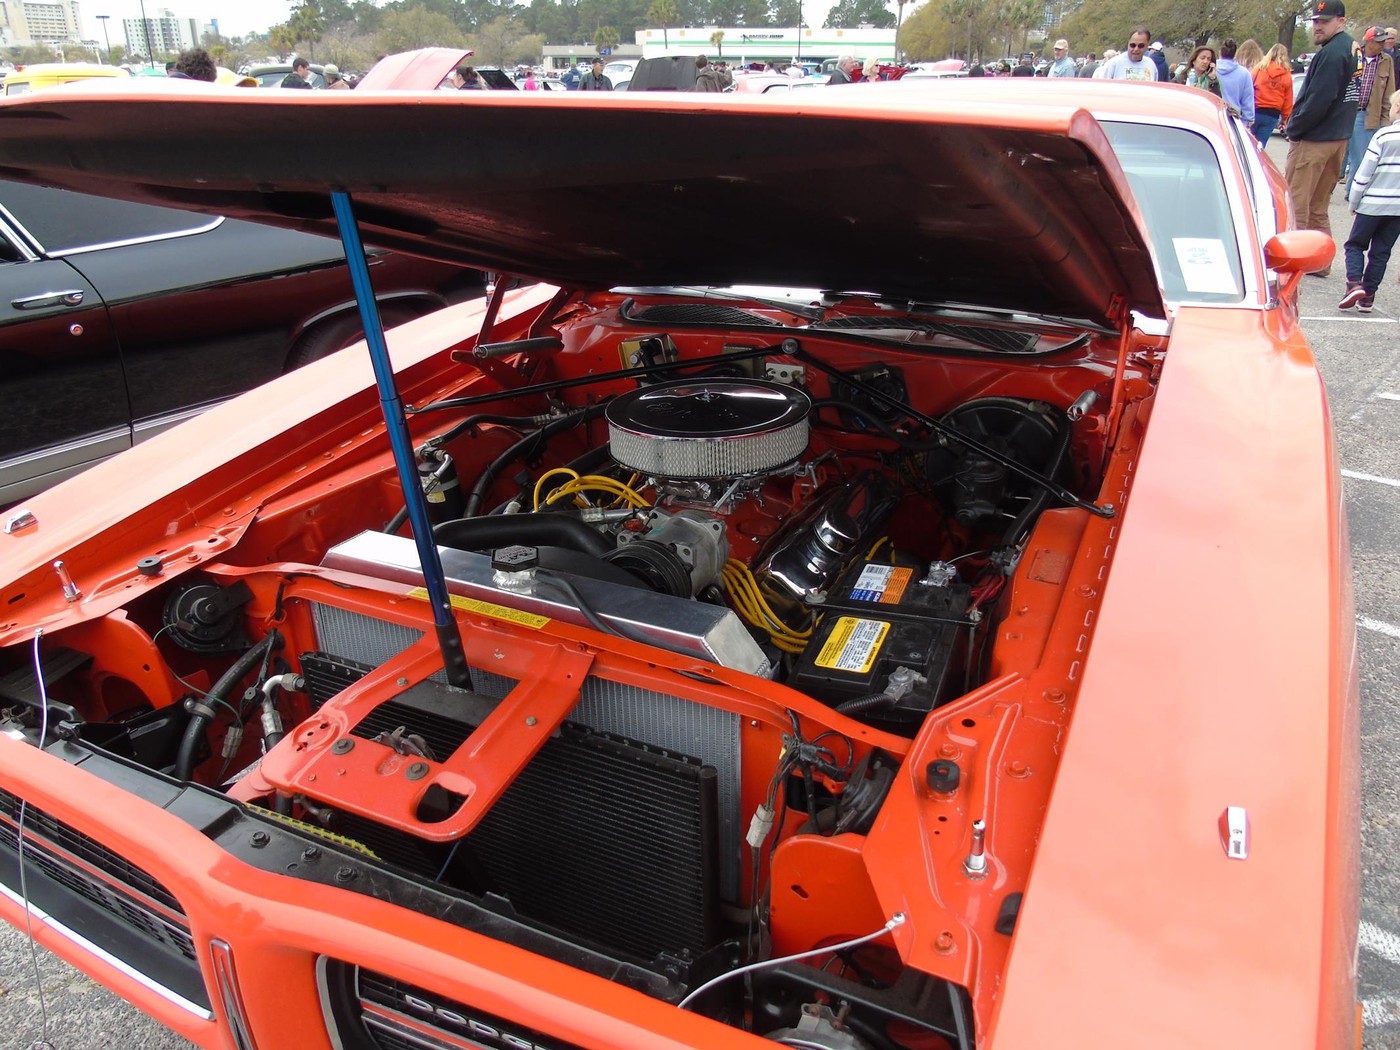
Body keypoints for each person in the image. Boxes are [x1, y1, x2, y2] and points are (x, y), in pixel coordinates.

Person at [1286, 0, 1356, 275]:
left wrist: (1295, 128)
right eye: (1315, 21)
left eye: (1324, 21)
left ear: (1341, 21)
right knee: (1318, 205)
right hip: (1338, 135)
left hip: (1316, 138)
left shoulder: (1332, 53)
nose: (1318, 26)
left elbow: (1319, 100)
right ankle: (1321, 262)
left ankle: (1296, 261)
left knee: (1297, 203)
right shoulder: (1350, 47)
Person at [1340, 90, 1400, 311]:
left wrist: (1354, 201)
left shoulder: (1383, 136)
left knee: (1355, 245)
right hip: (1397, 209)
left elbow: (1364, 172)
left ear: (1397, 108)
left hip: (1372, 204)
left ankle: (1354, 284)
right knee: (1381, 253)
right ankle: (1368, 296)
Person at [1345, 27, 1396, 197]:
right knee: (1356, 157)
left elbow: (1389, 92)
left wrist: (1386, 121)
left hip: (1371, 114)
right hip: (1351, 111)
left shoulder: (1386, 60)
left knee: (1367, 158)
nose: (1382, 45)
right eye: (1378, 42)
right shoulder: (1354, 54)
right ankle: (1352, 192)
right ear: (1369, 41)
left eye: (1384, 41)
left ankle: (1354, 192)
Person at [1253, 44, 1294, 145]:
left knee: (1246, 142)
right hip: (1272, 114)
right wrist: (1285, 118)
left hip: (1256, 109)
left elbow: (1249, 86)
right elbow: (1288, 99)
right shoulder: (1286, 75)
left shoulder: (1259, 69)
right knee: (1260, 145)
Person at [1213, 40, 1256, 123]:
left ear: (1220, 52)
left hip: (1212, 114)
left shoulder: (1211, 70)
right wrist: (1248, 119)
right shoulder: (1244, 73)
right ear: (1235, 54)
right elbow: (1247, 99)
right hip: (1233, 119)